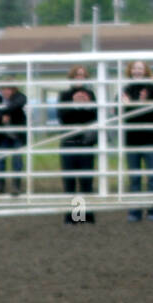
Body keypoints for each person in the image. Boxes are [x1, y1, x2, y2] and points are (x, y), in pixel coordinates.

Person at [122, 61, 153, 222]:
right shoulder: (125, 88)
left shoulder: (152, 88)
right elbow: (121, 112)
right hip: (132, 140)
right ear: (130, 71)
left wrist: (133, 106)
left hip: (150, 139)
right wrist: (139, 107)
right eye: (134, 68)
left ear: (145, 71)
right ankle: (135, 211)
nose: (137, 71)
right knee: (135, 179)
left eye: (140, 68)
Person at [57, 65, 98, 222]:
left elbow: (94, 116)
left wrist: (87, 105)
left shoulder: (91, 94)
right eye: (77, 75)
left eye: (82, 75)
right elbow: (63, 117)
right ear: (72, 77)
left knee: (86, 180)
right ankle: (73, 214)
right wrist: (74, 104)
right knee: (70, 181)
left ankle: (86, 214)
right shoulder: (65, 95)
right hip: (69, 141)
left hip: (86, 142)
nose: (80, 78)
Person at [0, 79, 27, 195]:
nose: (6, 91)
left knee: (17, 161)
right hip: (3, 137)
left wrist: (3, 112)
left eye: (9, 89)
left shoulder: (20, 97)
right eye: (4, 89)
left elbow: (18, 104)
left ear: (14, 90)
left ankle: (16, 186)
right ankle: (0, 185)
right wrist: (0, 115)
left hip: (17, 136)